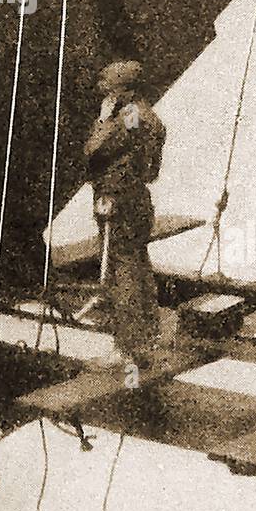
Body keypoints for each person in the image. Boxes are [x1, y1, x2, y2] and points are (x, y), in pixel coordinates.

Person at [83, 60, 174, 367]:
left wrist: (102, 119)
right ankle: (146, 339)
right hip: (138, 201)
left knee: (119, 275)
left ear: (121, 90)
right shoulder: (152, 118)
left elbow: (93, 150)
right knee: (138, 268)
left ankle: (126, 349)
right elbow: (152, 173)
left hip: (116, 204)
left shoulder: (128, 117)